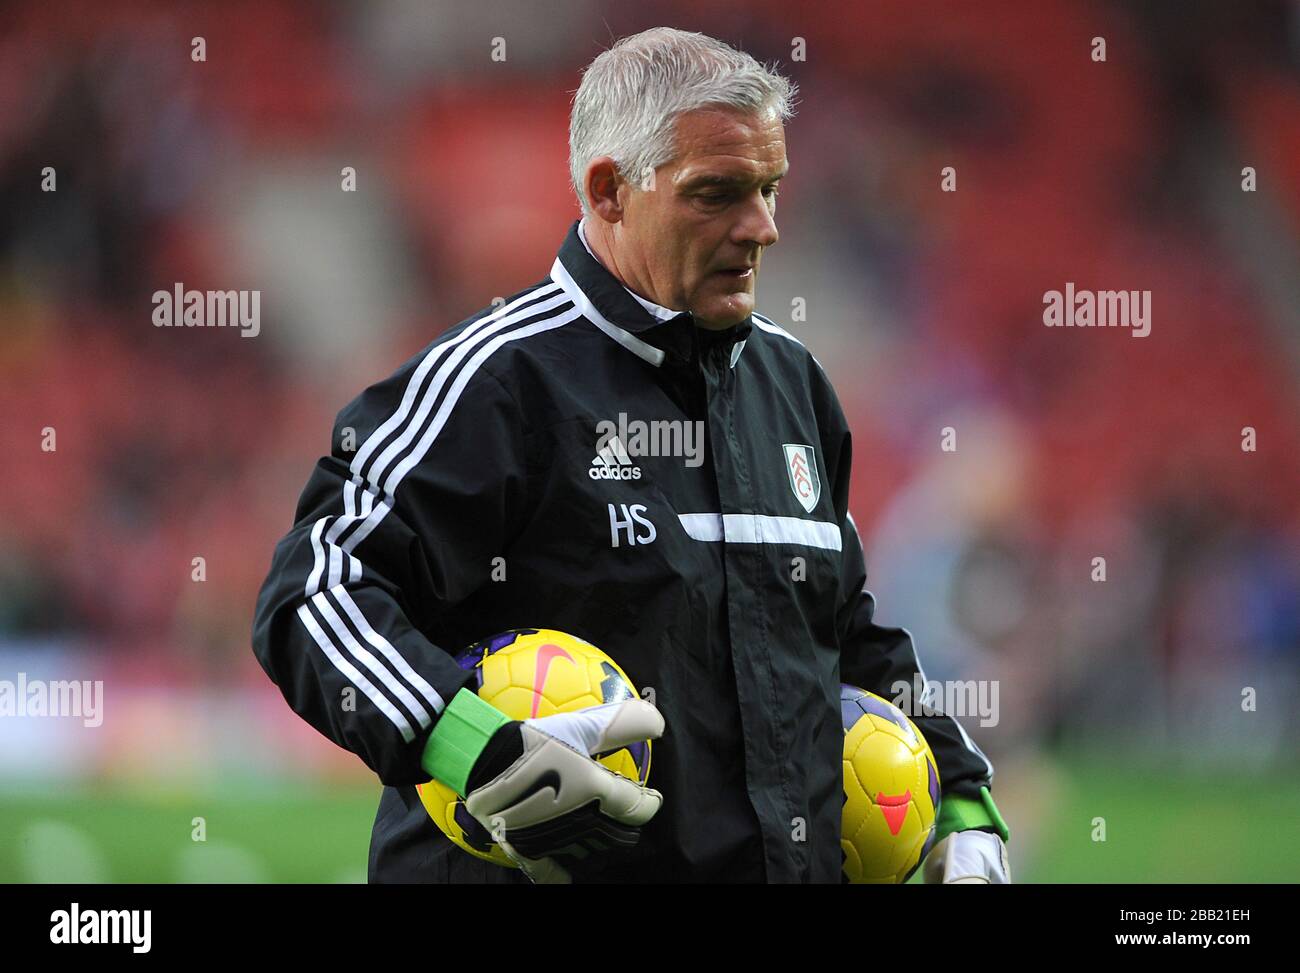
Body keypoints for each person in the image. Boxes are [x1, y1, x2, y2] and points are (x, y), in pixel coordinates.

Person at [251, 26, 1009, 883]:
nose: (762, 228)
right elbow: (311, 588)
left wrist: (964, 798)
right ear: (609, 191)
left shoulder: (793, 384)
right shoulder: (496, 383)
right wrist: (472, 746)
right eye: (717, 193)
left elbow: (839, 627)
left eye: (770, 188)